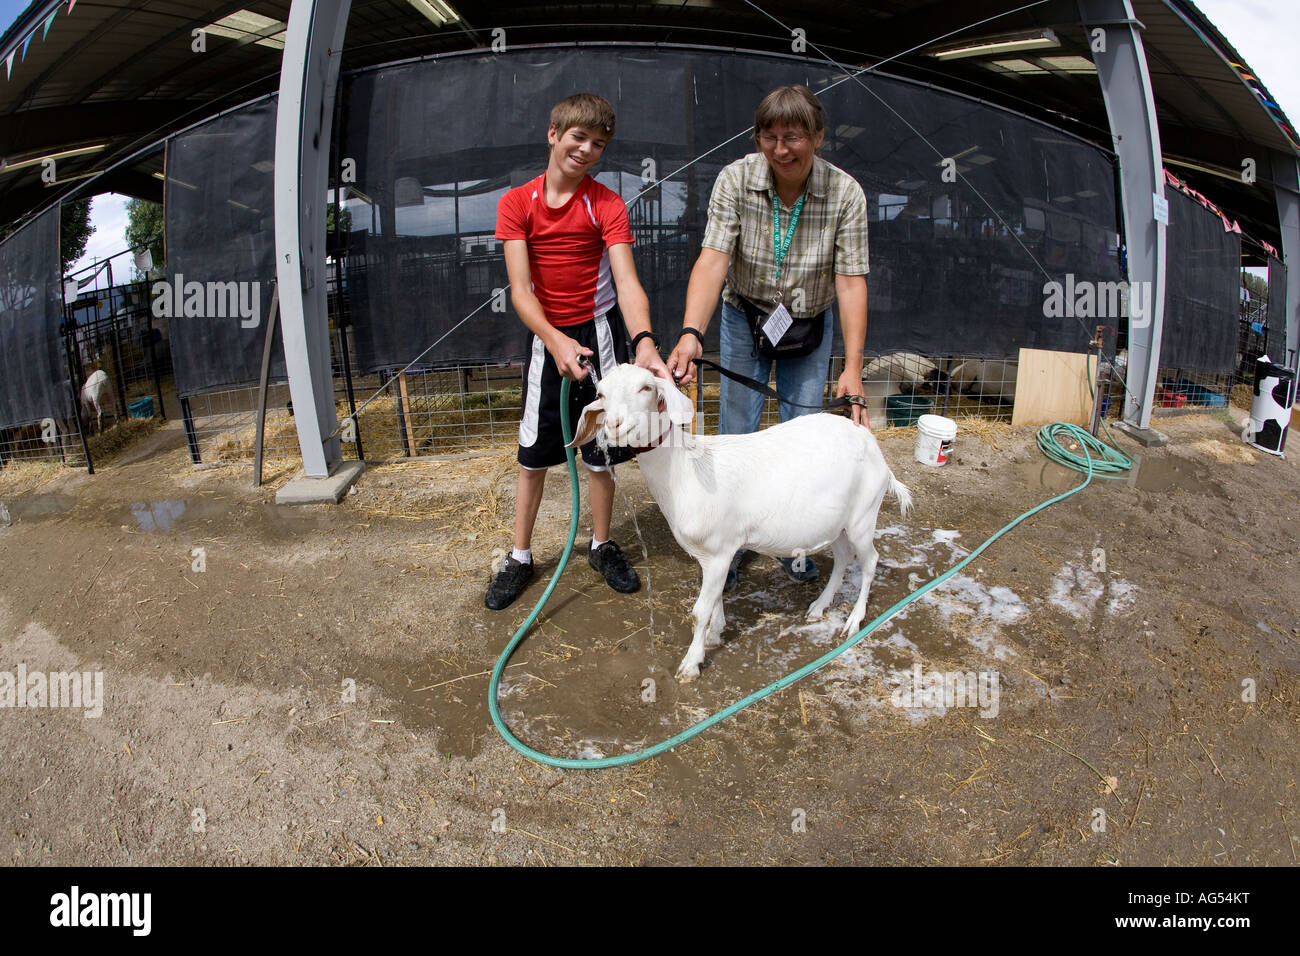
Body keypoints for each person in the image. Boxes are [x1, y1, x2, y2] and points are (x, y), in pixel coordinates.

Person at [666, 84, 870, 591]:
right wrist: (692, 332)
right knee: (738, 432)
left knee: (802, 432)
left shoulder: (845, 193)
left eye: (794, 137)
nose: (781, 149)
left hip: (810, 321)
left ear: (818, 137)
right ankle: (731, 542)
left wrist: (852, 367)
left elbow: (850, 281)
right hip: (745, 314)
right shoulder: (735, 180)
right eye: (770, 137)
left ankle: (796, 541)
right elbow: (713, 259)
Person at [485, 92, 671, 611]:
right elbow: (521, 292)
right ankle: (520, 556)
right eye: (578, 137)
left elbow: (628, 283)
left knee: (601, 449)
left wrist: (646, 342)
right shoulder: (518, 203)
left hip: (602, 335)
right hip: (549, 337)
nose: (587, 149)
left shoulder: (606, 203)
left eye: (599, 143)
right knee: (534, 455)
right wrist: (555, 339)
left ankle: (600, 544)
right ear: (553, 134)